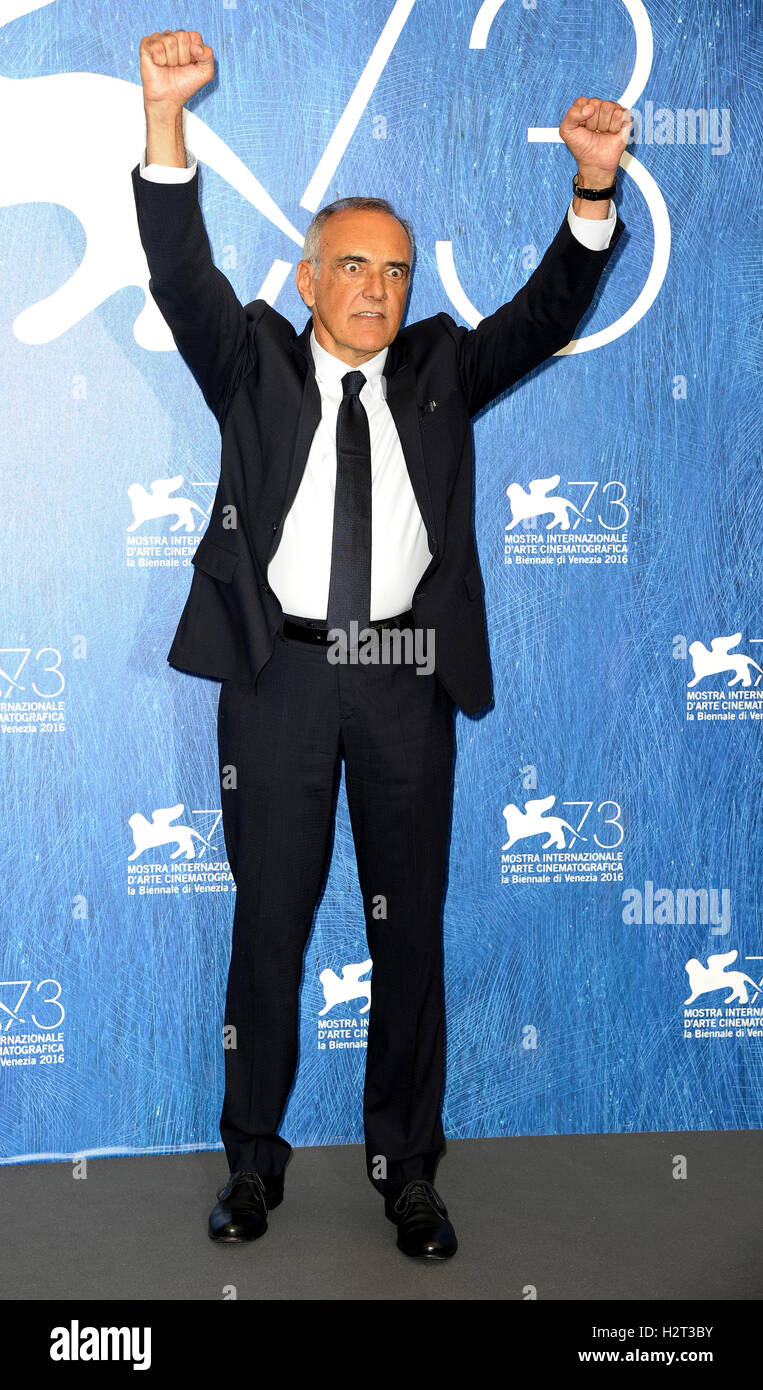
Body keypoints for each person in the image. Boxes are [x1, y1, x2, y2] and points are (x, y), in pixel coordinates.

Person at [133, 27, 629, 1259]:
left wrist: (592, 186)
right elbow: (175, 261)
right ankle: (251, 1166)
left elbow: (553, 300)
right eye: (352, 266)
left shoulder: (443, 367)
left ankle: (409, 1173)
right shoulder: (247, 357)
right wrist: (164, 118)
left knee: (406, 935)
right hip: (281, 678)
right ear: (310, 278)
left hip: (406, 675)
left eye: (395, 272)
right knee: (268, 929)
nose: (376, 289)